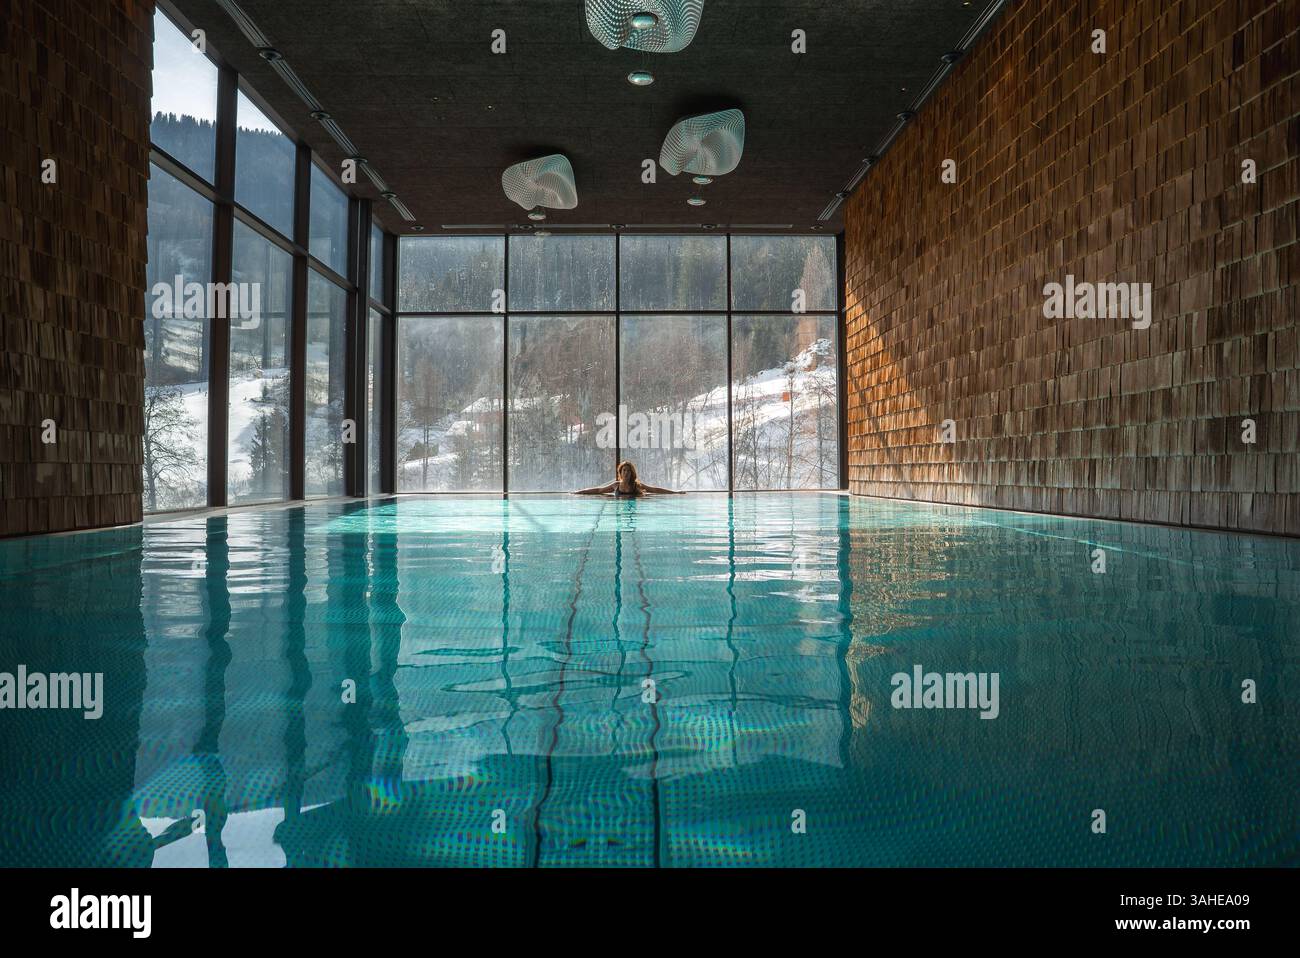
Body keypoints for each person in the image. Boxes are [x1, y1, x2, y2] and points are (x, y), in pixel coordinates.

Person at [573, 460, 684, 497]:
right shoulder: (616, 485)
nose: (626, 473)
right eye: (624, 470)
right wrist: (579, 492)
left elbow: (654, 490)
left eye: (628, 470)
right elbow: (598, 490)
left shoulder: (636, 485)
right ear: (620, 472)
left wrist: (675, 492)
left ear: (632, 473)